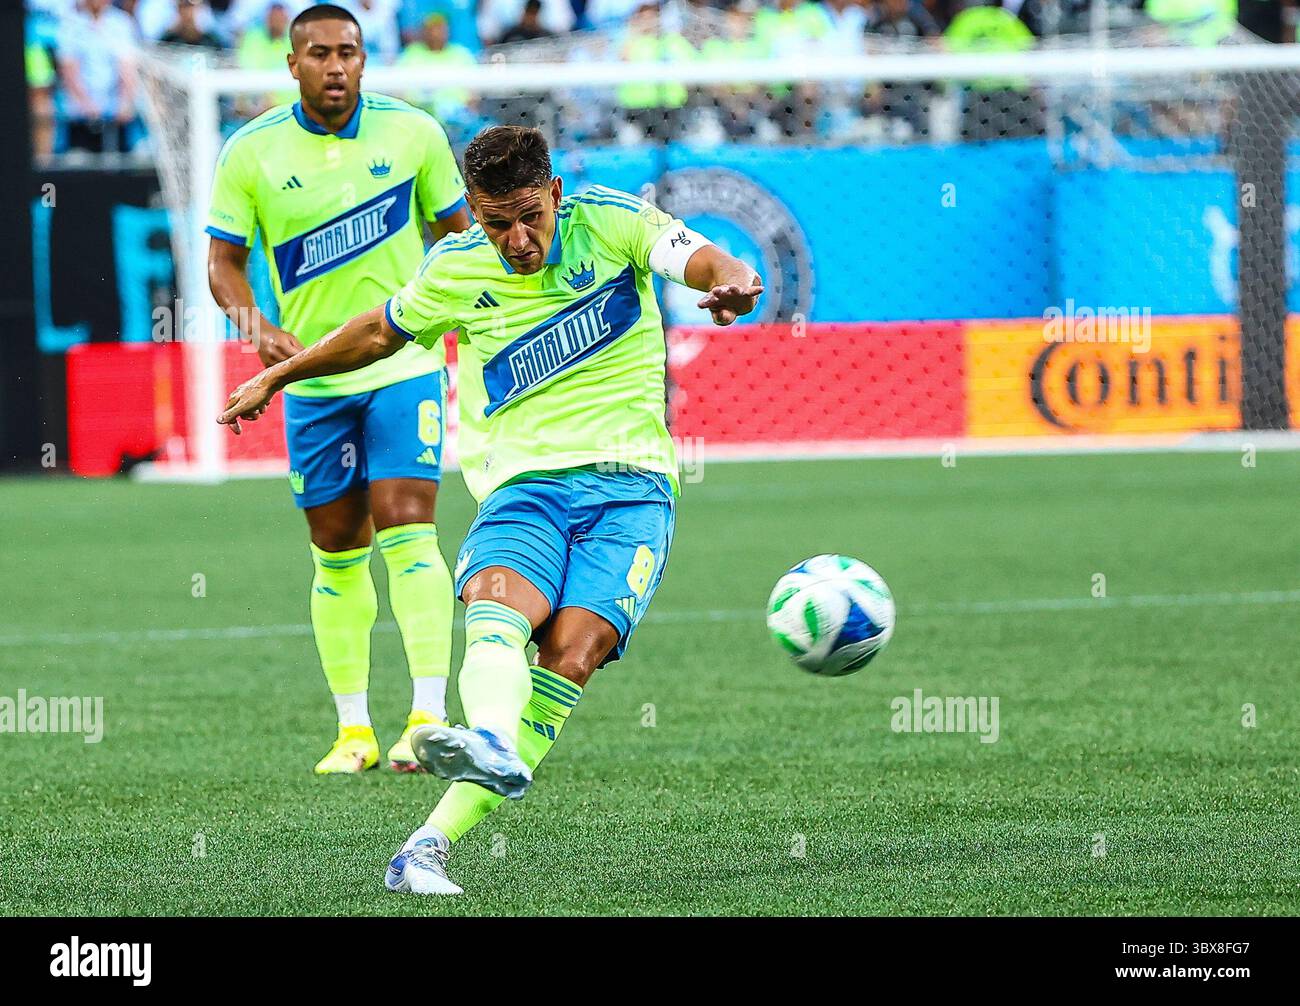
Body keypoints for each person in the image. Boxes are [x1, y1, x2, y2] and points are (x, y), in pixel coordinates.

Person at [217, 124, 764, 894]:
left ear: (555, 195)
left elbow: (702, 258)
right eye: (494, 220)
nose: (515, 238)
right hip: (523, 486)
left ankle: (423, 848)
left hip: (633, 488)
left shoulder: (612, 221)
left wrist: (736, 278)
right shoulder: (456, 265)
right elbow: (379, 331)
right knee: (498, 609)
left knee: (571, 653)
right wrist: (278, 378)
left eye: (528, 217)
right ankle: (495, 740)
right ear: (473, 211)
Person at [205, 4, 473, 775]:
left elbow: (459, 238)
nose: (334, 65)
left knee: (408, 526)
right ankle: (353, 730)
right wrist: (258, 330)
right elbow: (223, 261)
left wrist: (450, 316)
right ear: (292, 64)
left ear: (365, 59)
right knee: (336, 549)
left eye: (347, 52)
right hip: (313, 381)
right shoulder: (250, 151)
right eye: (317, 53)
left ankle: (426, 716)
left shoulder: (414, 133)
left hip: (403, 365)